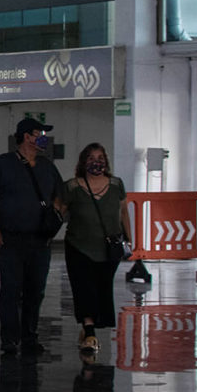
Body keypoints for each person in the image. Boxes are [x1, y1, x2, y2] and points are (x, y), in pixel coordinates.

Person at [0, 118, 64, 357]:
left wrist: (55, 217)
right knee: (11, 289)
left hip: (40, 241)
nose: (43, 138)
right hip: (10, 240)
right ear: (27, 136)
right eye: (40, 134)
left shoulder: (47, 167)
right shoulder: (4, 164)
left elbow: (61, 195)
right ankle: (9, 339)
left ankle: (29, 336)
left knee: (35, 290)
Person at [60, 143, 130, 356]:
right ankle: (89, 331)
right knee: (84, 287)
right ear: (83, 161)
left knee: (102, 287)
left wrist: (130, 240)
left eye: (100, 157)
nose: (96, 162)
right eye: (91, 157)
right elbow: (60, 211)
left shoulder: (117, 185)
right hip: (78, 246)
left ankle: (90, 327)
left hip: (109, 247)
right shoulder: (72, 186)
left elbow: (124, 212)